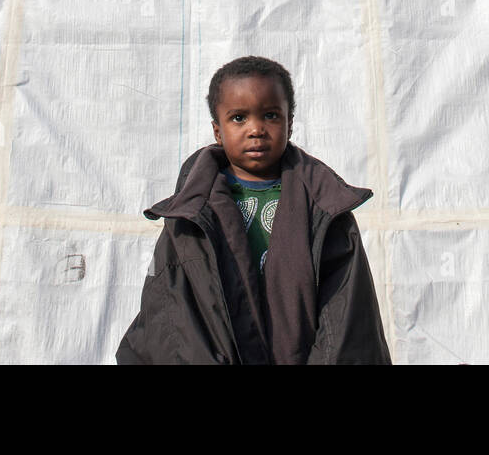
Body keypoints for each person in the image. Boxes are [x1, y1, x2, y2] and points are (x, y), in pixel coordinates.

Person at [116, 55, 392, 364]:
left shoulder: (324, 208)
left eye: (271, 116)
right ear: (217, 130)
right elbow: (172, 314)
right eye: (239, 118)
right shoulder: (190, 214)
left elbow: (347, 317)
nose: (256, 129)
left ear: (289, 124)